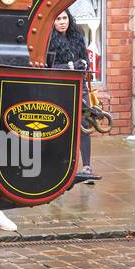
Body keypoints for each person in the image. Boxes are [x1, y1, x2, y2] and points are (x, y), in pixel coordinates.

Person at [45, 10, 98, 184]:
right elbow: (48, 67)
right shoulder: (48, 39)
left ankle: (87, 166)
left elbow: (84, 61)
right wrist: (71, 66)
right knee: (60, 126)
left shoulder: (77, 36)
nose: (62, 22)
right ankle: (58, 167)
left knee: (84, 125)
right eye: (58, 19)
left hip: (80, 86)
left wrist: (83, 64)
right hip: (59, 88)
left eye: (65, 18)